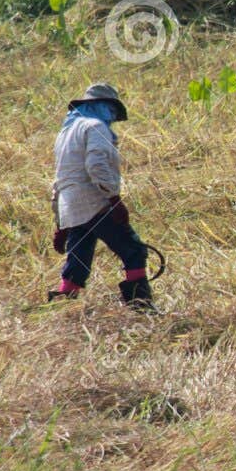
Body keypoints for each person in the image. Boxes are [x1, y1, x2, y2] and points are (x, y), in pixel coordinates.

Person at [49, 83, 157, 311]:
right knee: (133, 250)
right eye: (112, 110)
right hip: (95, 202)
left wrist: (60, 221)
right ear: (104, 106)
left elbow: (60, 178)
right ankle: (140, 305)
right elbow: (96, 165)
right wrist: (114, 199)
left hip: (72, 207)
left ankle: (61, 307)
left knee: (78, 259)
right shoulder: (96, 127)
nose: (112, 116)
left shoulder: (66, 132)